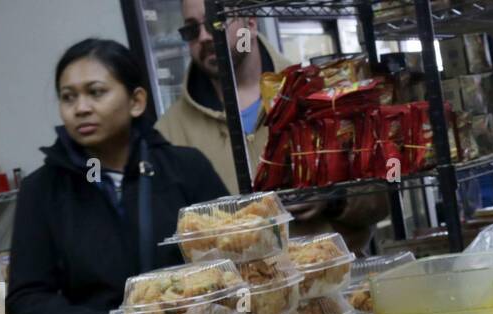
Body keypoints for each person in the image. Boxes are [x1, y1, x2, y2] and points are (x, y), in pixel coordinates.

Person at [7, 38, 227, 314]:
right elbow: (26, 298)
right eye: (69, 97)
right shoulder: (43, 191)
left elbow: (229, 254)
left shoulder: (185, 167)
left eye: (96, 92)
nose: (81, 108)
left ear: (136, 101)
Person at [157, 0, 386, 253]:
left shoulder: (321, 95)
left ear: (251, 24)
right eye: (191, 30)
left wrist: (333, 198)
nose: (203, 36)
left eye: (216, 21)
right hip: (240, 289)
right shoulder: (169, 132)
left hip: (331, 280)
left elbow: (382, 197)